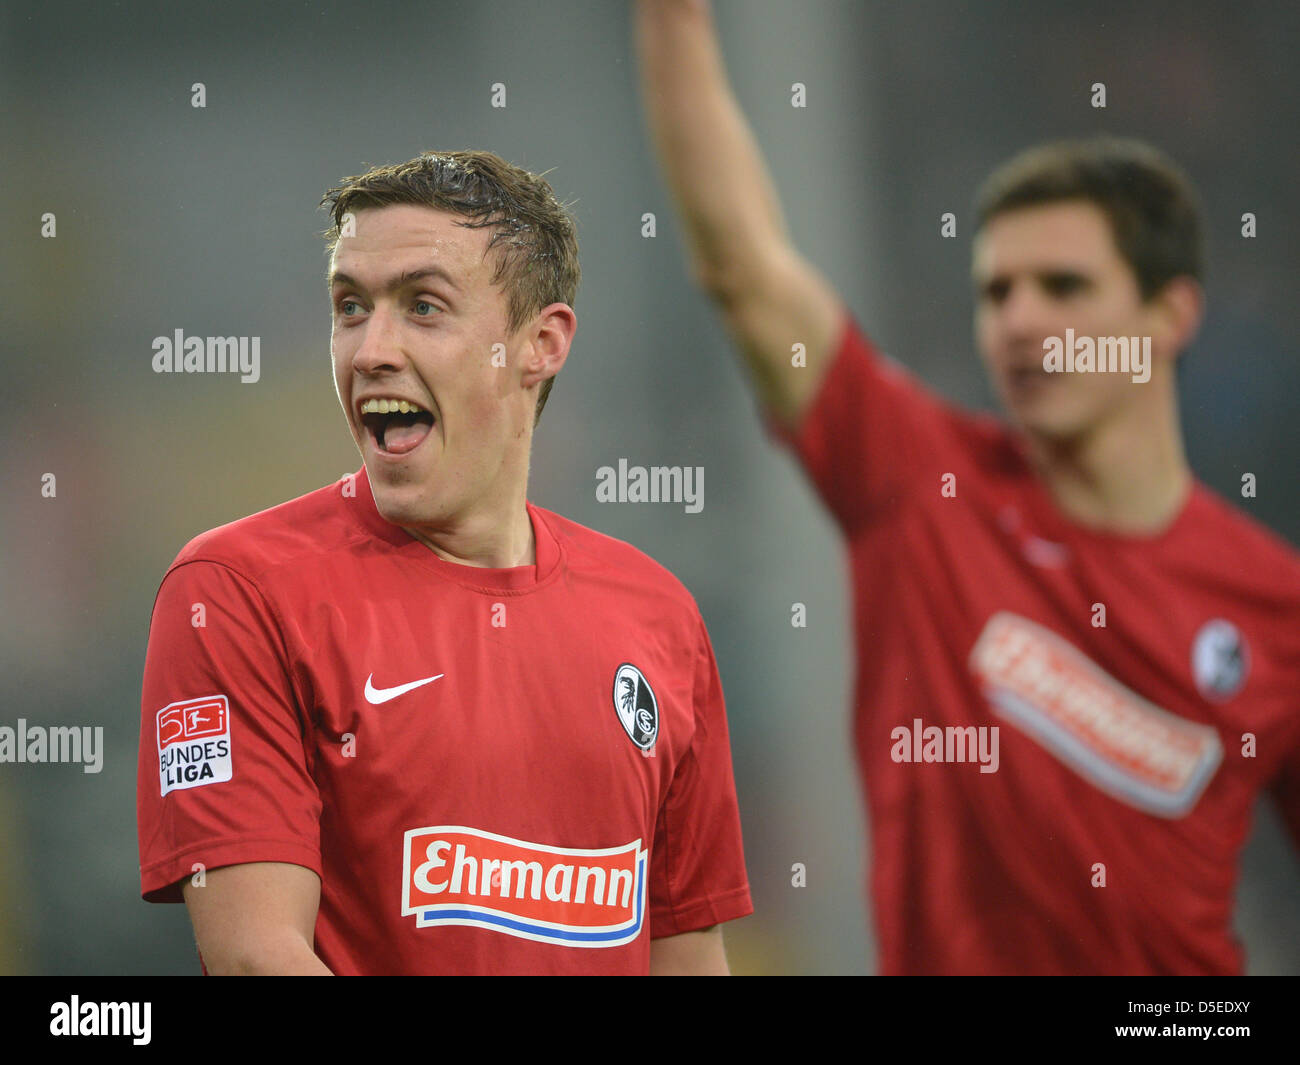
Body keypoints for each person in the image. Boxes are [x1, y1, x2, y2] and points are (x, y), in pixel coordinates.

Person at [636, 0, 1300, 974]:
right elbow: (743, 270)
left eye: (1063, 288)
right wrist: (672, 19)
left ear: (1168, 315)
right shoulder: (917, 480)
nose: (1019, 321)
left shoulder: (1273, 605)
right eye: (995, 293)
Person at [136, 149, 753, 975]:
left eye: (423, 307)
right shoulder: (235, 590)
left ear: (540, 343)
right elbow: (256, 955)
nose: (370, 350)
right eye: (350, 307)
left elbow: (688, 957)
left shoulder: (659, 615)